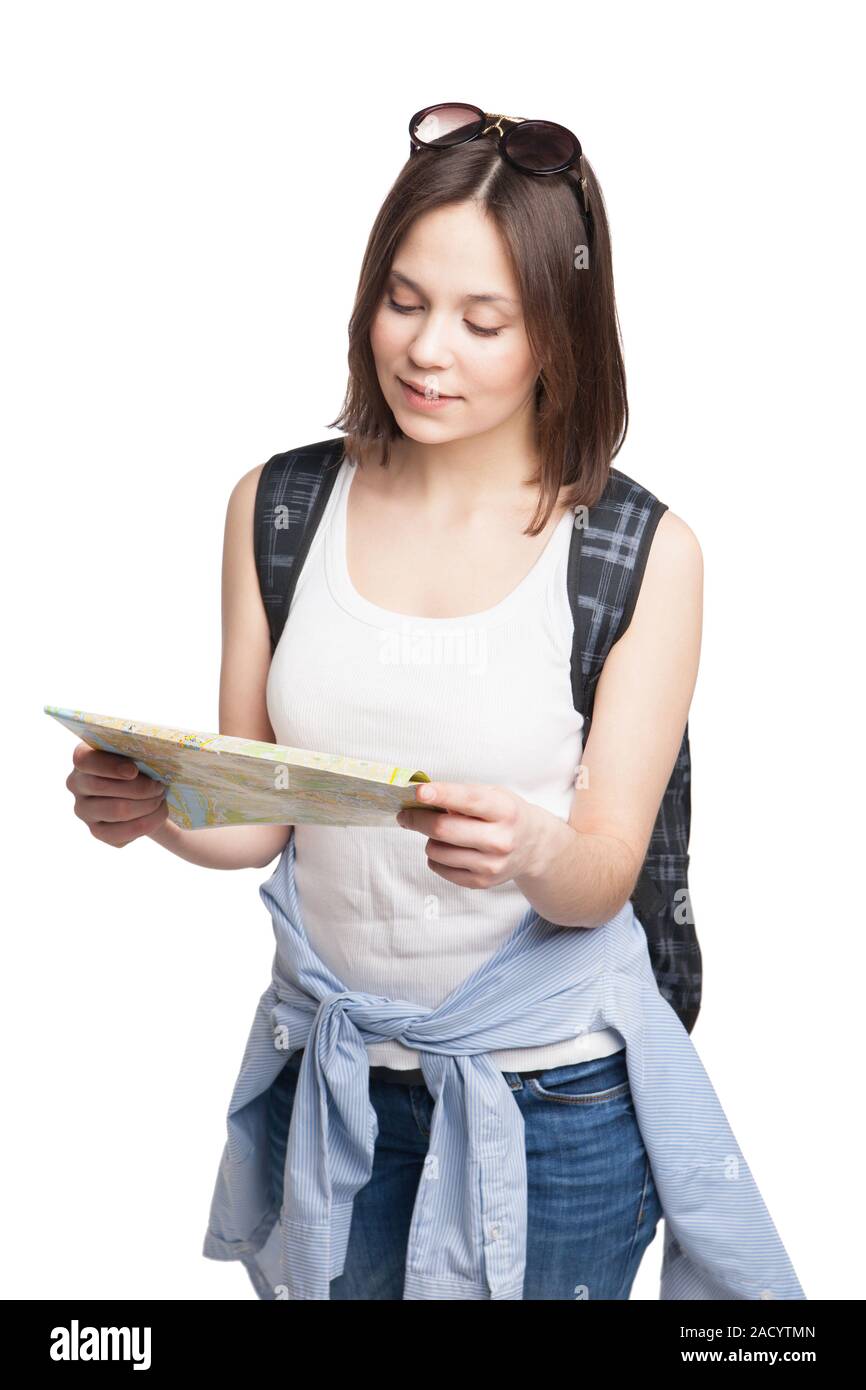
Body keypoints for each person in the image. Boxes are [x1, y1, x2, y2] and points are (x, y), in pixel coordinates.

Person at [67, 108, 704, 1300]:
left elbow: (606, 870)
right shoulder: (278, 505)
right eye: (404, 300)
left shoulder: (637, 551)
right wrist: (155, 808)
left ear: (555, 337)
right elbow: (261, 814)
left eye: (483, 321)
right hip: (335, 1072)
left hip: (555, 1100)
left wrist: (530, 850)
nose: (427, 351)